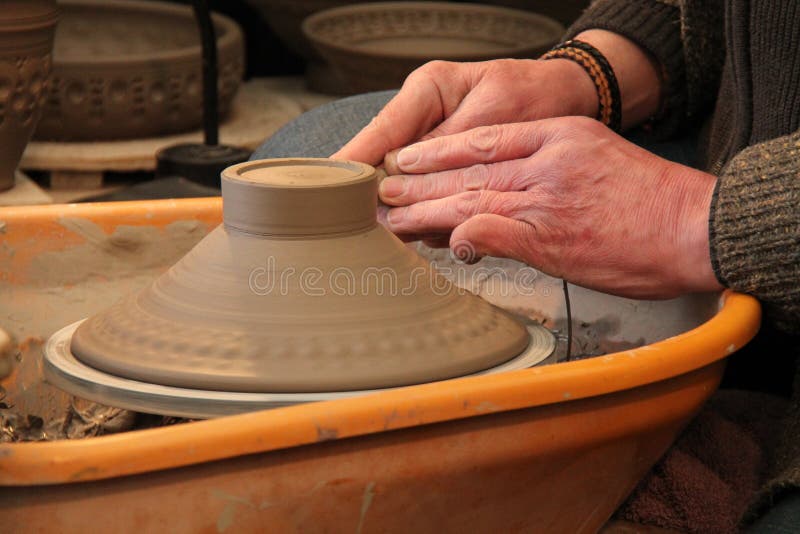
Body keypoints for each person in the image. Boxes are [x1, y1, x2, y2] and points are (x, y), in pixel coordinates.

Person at [254, 0, 799, 530]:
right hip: (735, 142)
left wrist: (699, 216)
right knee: (312, 146)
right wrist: (581, 77)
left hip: (768, 208)